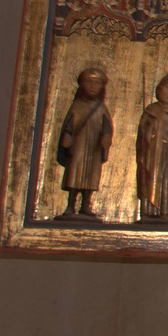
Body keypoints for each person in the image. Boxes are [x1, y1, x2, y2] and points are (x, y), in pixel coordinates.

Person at [55, 67, 113, 221]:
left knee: (90, 175)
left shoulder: (101, 108)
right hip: (78, 146)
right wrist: (67, 136)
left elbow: (107, 126)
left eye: (97, 83)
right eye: (89, 82)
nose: (93, 86)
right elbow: (69, 124)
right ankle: (70, 204)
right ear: (82, 85)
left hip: (94, 148)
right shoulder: (77, 105)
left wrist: (106, 137)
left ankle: (86, 204)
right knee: (74, 173)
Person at [135, 74, 168, 223]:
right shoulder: (151, 110)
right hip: (151, 152)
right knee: (149, 179)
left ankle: (165, 212)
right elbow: (142, 132)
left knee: (167, 181)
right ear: (160, 89)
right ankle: (147, 212)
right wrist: (146, 129)